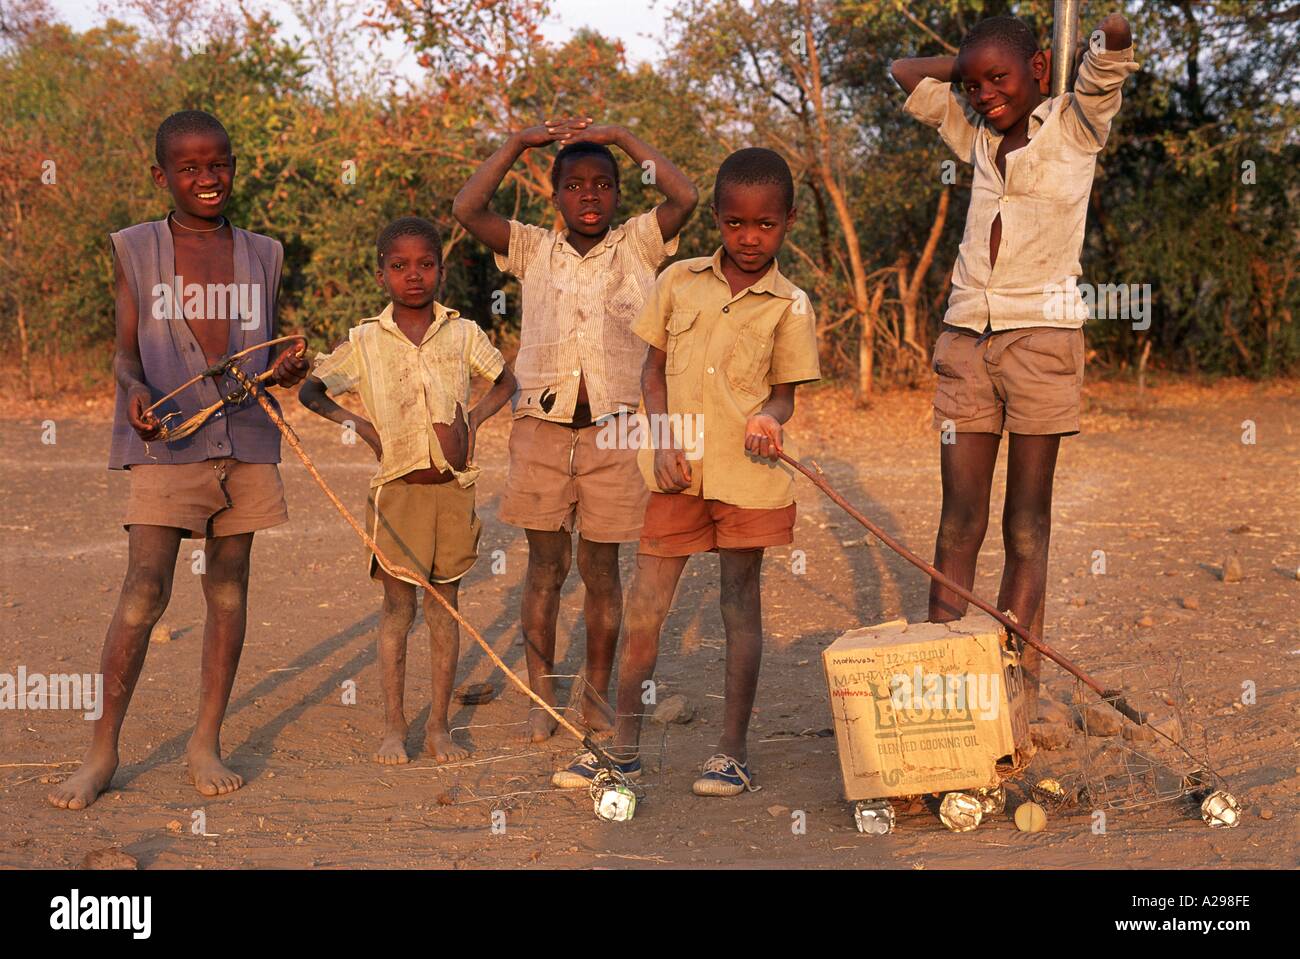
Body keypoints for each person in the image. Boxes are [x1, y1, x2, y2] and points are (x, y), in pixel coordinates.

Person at [49, 110, 308, 809]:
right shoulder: (136, 248)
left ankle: (205, 741)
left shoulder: (264, 253)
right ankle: (102, 751)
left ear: (234, 166)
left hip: (245, 440)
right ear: (161, 176)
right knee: (144, 588)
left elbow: (266, 352)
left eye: (218, 163)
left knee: (228, 589)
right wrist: (134, 392)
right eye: (189, 167)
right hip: (166, 438)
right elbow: (124, 353)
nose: (207, 177)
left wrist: (286, 368)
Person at [890, 13, 1138, 716]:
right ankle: (945, 686)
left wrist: (1102, 38)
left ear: (1039, 68)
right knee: (957, 519)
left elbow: (1110, 56)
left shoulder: (1076, 126)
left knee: (1026, 522)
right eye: (973, 85)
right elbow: (904, 72)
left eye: (998, 78)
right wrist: (971, 64)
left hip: (1042, 344)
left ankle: (1012, 686)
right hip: (967, 340)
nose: (983, 95)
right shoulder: (975, 136)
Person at [452, 117, 698, 741]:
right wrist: (516, 143)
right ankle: (543, 696)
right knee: (544, 569)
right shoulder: (533, 249)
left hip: (617, 432)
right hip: (540, 429)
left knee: (601, 572)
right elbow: (467, 208)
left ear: (619, 193)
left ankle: (594, 695)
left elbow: (686, 195)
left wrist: (624, 137)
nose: (589, 195)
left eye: (603, 184)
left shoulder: (639, 245)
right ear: (556, 196)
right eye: (575, 186)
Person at [299, 216, 516, 764]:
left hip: (452, 490)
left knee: (446, 608)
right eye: (399, 266)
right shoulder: (365, 341)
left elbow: (505, 381)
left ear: (441, 270)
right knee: (398, 610)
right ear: (381, 276)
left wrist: (474, 420)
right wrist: (361, 427)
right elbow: (311, 390)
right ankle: (394, 728)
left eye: (424, 264)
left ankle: (439, 727)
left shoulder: (463, 333)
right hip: (396, 493)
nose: (413, 275)